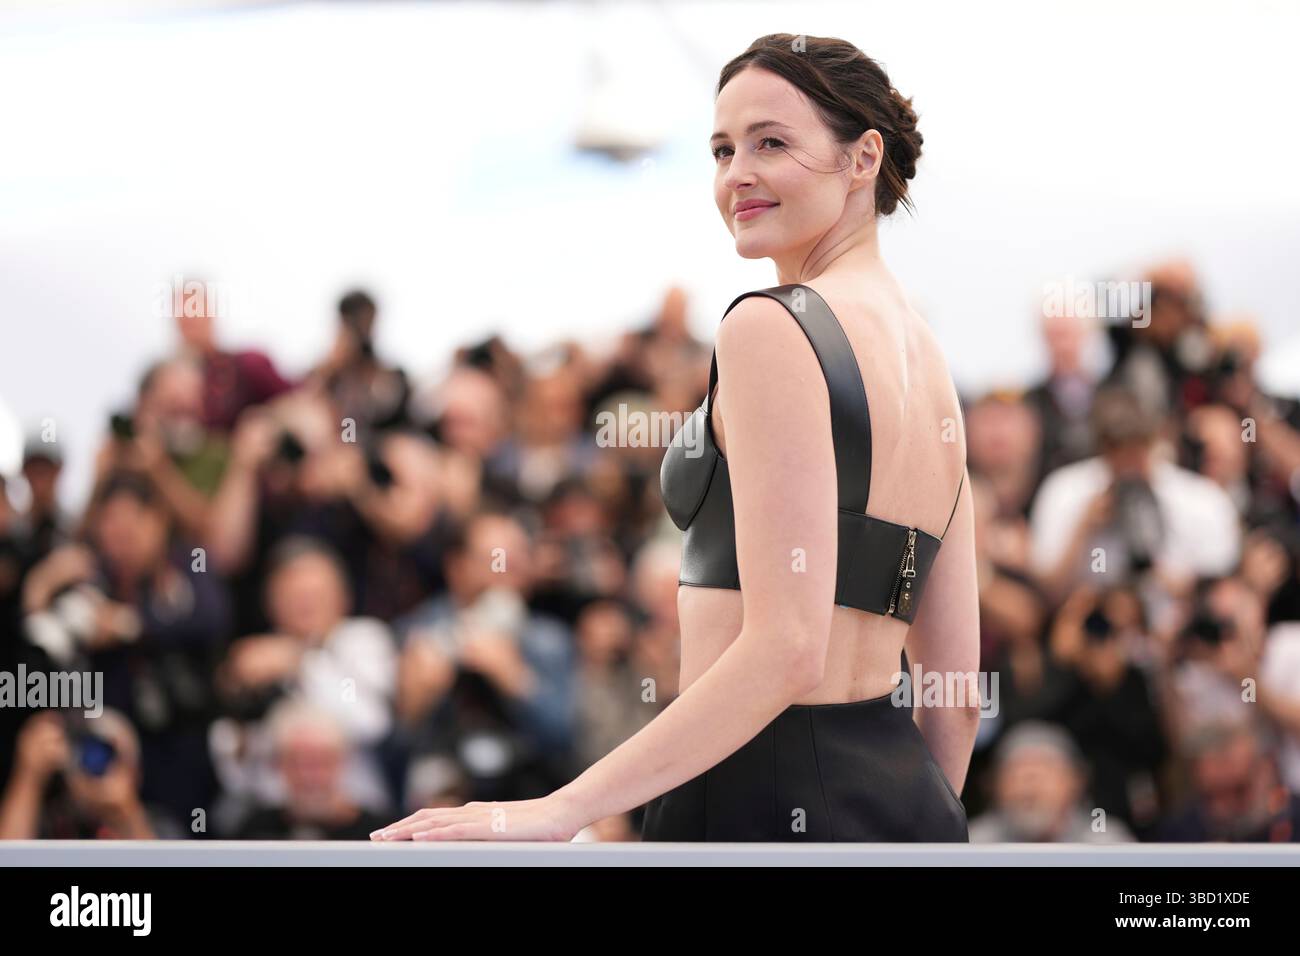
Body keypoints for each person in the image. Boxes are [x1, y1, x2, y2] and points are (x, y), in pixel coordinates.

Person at [371, 33, 978, 842]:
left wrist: (558, 811)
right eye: (723, 149)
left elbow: (790, 649)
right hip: (903, 796)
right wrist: (917, 824)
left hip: (757, 796)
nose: (737, 175)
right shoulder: (930, 361)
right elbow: (958, 693)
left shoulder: (772, 328)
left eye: (771, 143)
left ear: (864, 158)